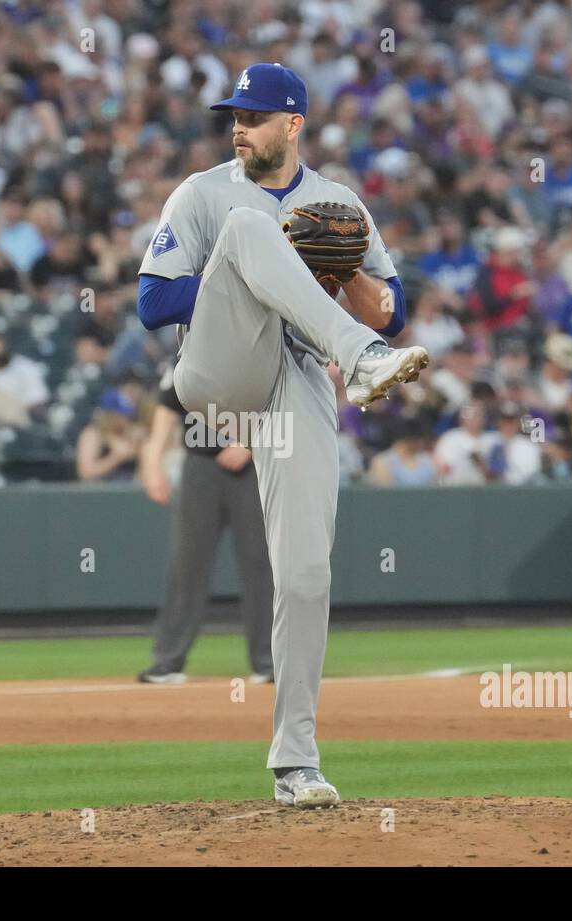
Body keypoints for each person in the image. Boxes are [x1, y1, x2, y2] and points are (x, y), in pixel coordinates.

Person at [136, 63, 428, 809]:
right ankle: (357, 362)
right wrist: (259, 269)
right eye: (235, 113)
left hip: (297, 380)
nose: (240, 125)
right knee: (246, 230)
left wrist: (343, 280)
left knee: (305, 575)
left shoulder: (337, 203)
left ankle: (296, 762)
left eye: (255, 115)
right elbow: (151, 301)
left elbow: (390, 313)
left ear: (292, 125)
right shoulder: (204, 194)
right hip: (219, 372)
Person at [136, 365, 274, 684]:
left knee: (261, 564)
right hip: (199, 463)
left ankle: (268, 662)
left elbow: (280, 402)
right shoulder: (188, 354)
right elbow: (168, 407)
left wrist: (249, 443)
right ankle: (168, 661)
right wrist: (153, 462)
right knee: (187, 563)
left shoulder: (255, 348)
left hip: (254, 464)